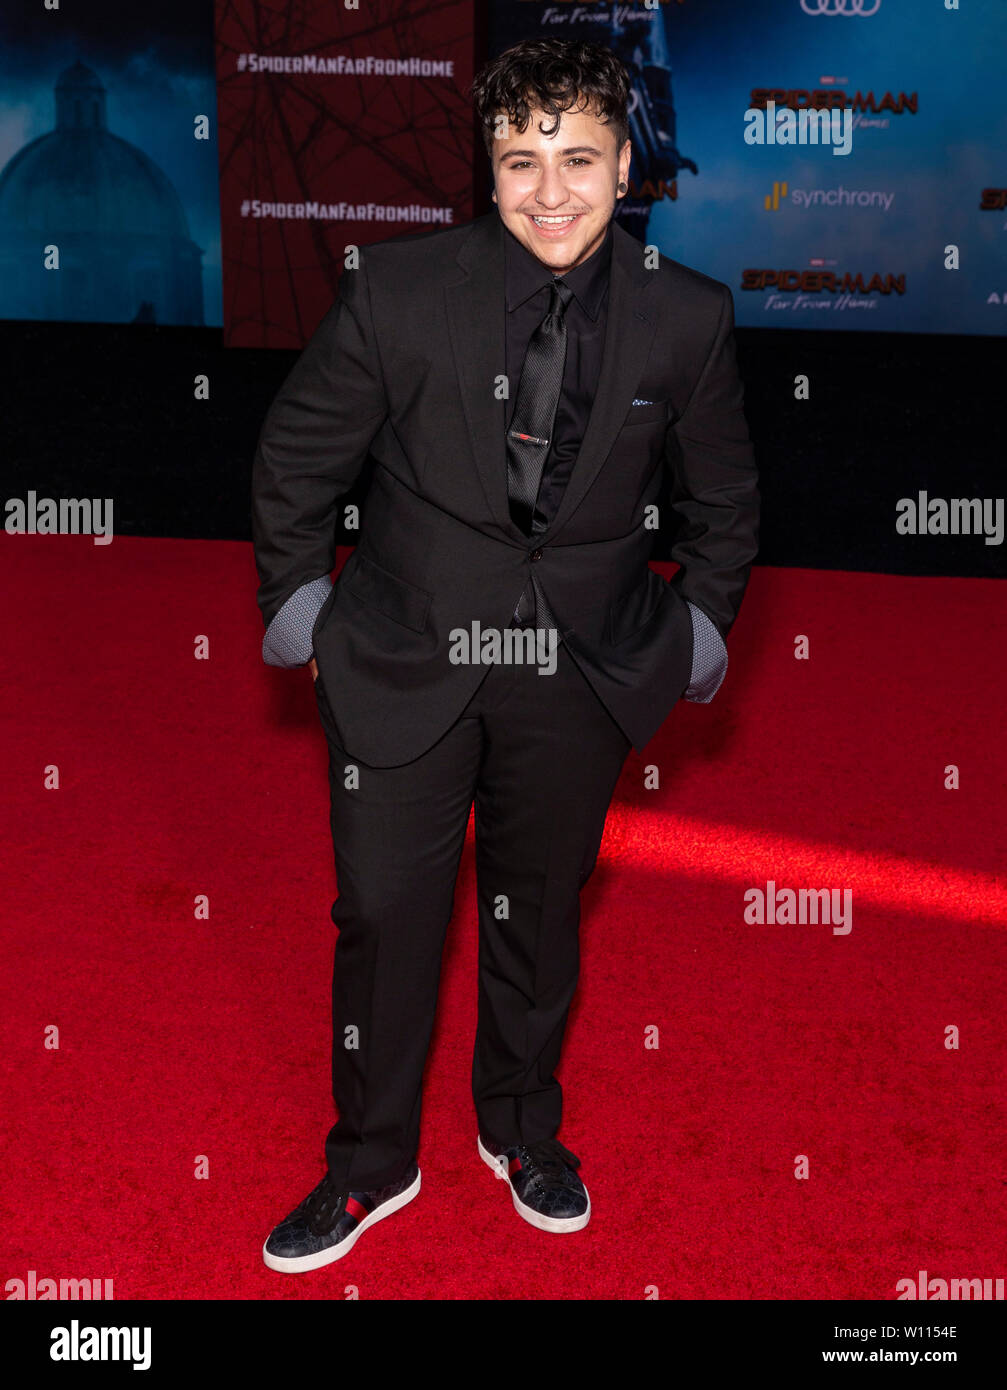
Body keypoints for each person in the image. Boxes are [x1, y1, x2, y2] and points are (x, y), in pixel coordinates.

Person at [251, 37, 759, 1273]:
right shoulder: (398, 290)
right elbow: (295, 461)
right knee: (382, 914)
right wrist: (302, 614)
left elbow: (725, 498)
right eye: (517, 157)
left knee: (537, 912)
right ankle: (369, 1162)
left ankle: (520, 1126)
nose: (547, 190)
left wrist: (691, 632)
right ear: (484, 164)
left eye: (576, 158)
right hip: (401, 656)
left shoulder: (686, 316)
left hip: (578, 672)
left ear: (624, 162)